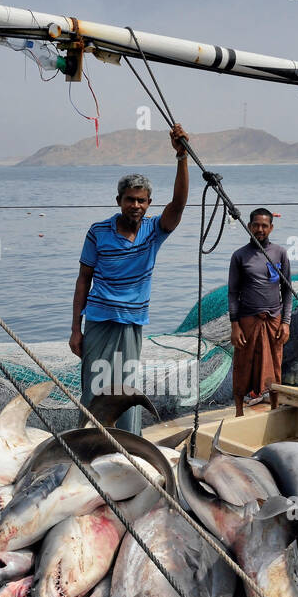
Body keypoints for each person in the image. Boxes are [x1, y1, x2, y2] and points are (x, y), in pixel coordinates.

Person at [70, 123, 189, 435]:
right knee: (95, 386)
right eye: (129, 199)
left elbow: (178, 205)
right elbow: (83, 279)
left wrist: (181, 159)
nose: (135, 205)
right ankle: (88, 442)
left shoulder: (154, 232)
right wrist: (75, 330)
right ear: (119, 200)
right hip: (98, 320)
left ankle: (126, 444)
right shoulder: (98, 232)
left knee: (126, 389)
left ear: (149, 203)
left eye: (141, 200)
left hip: (131, 323)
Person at [228, 208, 292, 416]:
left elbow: (288, 290)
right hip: (247, 320)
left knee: (275, 365)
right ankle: (239, 411)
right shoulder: (239, 256)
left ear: (271, 228)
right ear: (249, 227)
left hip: (274, 320)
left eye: (264, 226)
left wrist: (286, 322)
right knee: (242, 365)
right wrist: (235, 325)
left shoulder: (280, 253)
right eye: (256, 225)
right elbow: (232, 292)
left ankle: (275, 407)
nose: (260, 229)